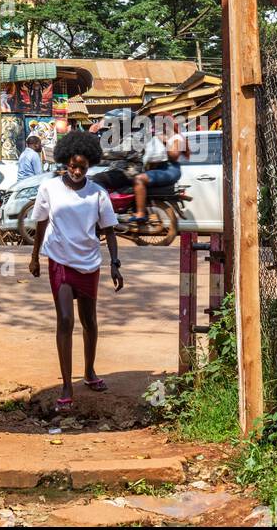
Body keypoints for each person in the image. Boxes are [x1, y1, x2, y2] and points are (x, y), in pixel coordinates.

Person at [29, 130, 123, 412]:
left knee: (89, 320)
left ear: (89, 165)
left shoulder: (98, 194)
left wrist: (115, 264)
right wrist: (34, 257)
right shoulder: (49, 189)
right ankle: (67, 385)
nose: (77, 171)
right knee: (66, 320)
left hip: (89, 262)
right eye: (73, 165)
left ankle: (90, 372)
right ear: (65, 162)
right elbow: (41, 225)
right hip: (59, 259)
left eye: (83, 167)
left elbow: (110, 231)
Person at [130, 123, 188, 228]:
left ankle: (141, 213)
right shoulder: (157, 137)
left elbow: (174, 155)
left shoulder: (176, 137)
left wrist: (164, 141)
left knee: (139, 179)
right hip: (162, 169)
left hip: (170, 170)